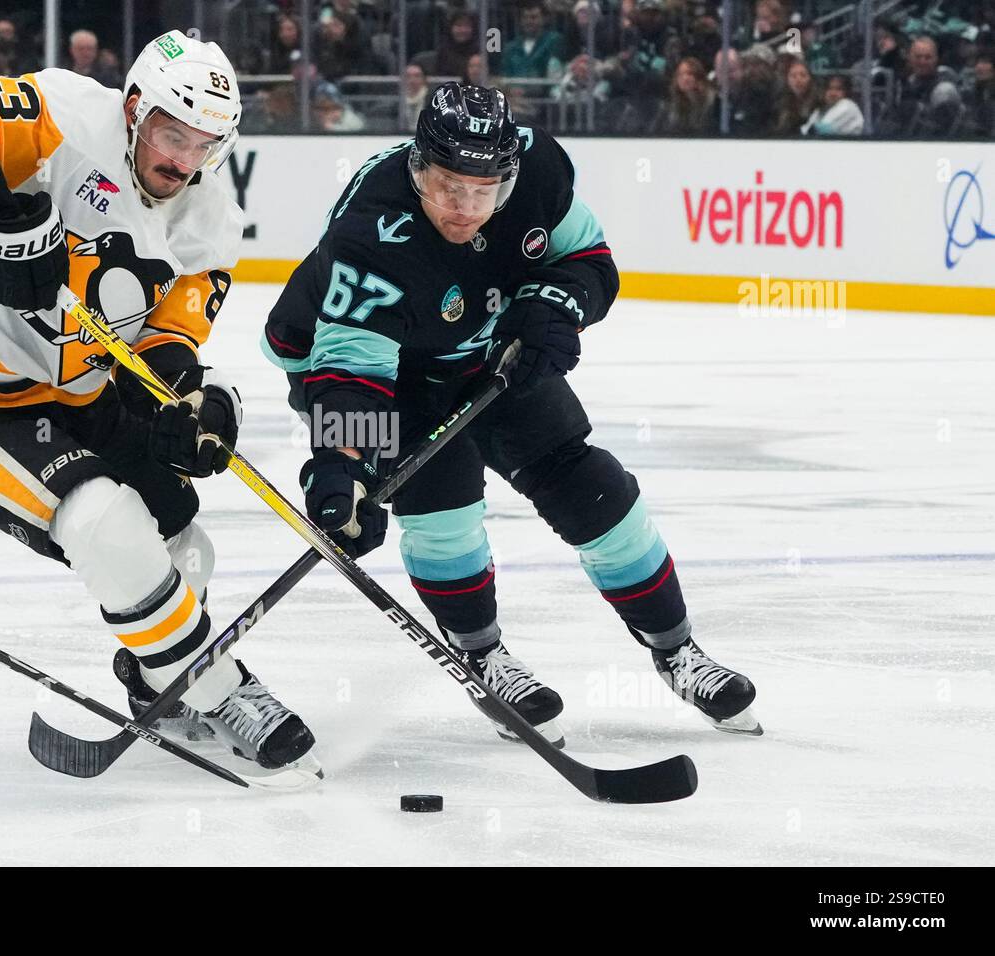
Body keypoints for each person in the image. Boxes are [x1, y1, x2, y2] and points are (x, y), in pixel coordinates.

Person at [0, 31, 320, 780]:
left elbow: (168, 345)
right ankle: (220, 687)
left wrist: (195, 405)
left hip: (82, 393)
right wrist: (4, 219)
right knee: (105, 524)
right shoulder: (69, 116)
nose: (183, 160)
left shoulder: (213, 222)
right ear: (135, 109)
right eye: (172, 133)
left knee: (186, 548)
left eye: (204, 144)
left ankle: (159, 686)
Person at [262, 82, 760, 743]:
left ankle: (677, 649)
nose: (465, 207)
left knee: (592, 488)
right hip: (381, 374)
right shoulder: (372, 227)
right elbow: (348, 371)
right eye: (446, 186)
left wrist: (557, 305)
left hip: (484, 352)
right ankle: (483, 655)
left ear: (509, 173)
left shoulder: (538, 177)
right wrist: (341, 468)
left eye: (482, 189)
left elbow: (590, 261)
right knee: (445, 509)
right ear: (417, 167)